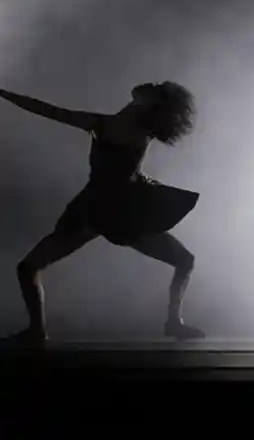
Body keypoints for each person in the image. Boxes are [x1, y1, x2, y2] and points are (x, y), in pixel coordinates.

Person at [1, 82, 203, 346]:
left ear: (147, 103)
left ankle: (37, 329)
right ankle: (174, 321)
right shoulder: (140, 129)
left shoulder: (110, 125)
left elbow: (49, 111)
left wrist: (5, 94)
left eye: (153, 89)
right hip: (113, 211)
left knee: (28, 267)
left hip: (104, 210)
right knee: (184, 260)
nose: (147, 86)